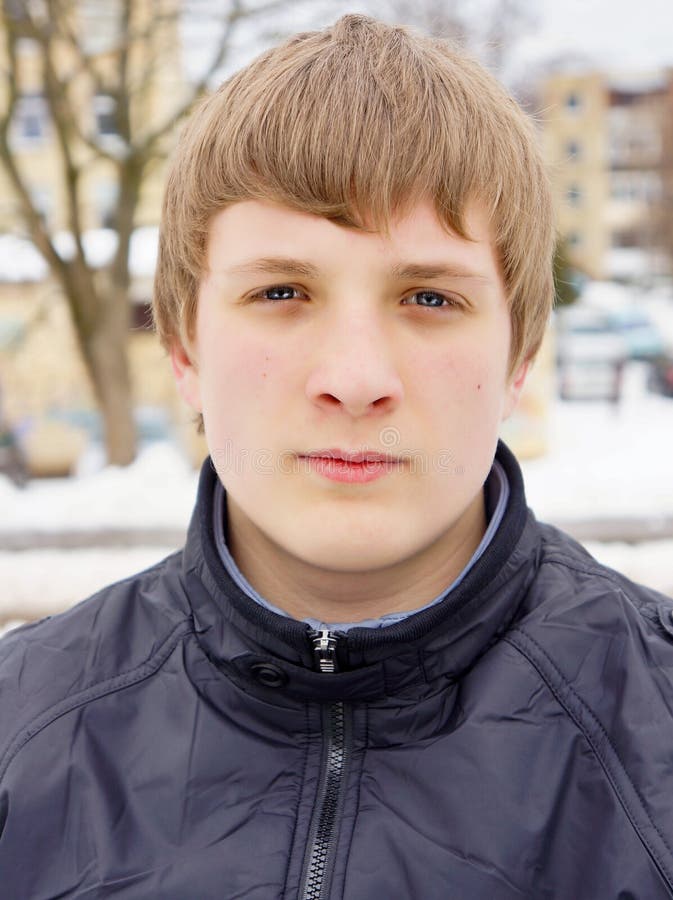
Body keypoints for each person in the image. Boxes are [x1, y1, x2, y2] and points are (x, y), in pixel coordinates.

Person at [1, 15, 673, 899]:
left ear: (517, 359)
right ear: (184, 352)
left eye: (429, 296)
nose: (355, 380)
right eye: (281, 291)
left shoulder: (655, 732)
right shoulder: (21, 733)